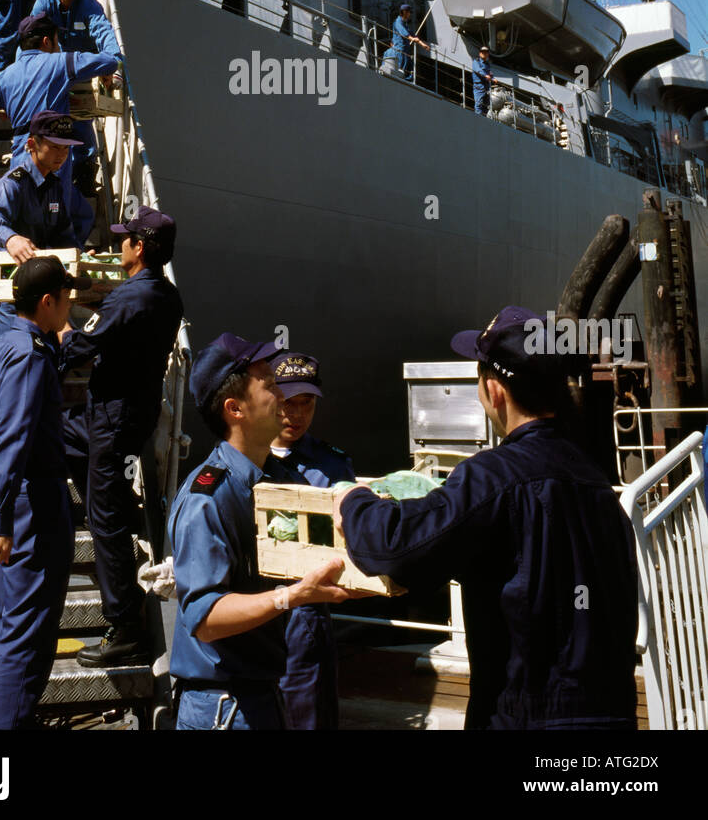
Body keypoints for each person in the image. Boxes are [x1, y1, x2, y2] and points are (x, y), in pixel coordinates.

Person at [335, 306, 639, 731]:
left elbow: (397, 548)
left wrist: (354, 502)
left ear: (493, 391)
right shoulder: (596, 482)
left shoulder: (493, 476)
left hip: (525, 717)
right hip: (611, 713)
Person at [168, 333, 363, 730]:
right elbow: (205, 618)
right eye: (271, 386)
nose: (285, 398)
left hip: (262, 696)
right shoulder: (208, 497)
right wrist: (291, 597)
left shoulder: (278, 481)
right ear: (234, 409)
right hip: (223, 709)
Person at [58, 209, 184, 666]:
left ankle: (125, 626)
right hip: (133, 412)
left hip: (112, 417)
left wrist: (59, 319)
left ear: (141, 248)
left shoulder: (129, 299)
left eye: (126, 240)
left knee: (106, 521)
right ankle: (101, 500)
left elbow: (79, 348)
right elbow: (121, 323)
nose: (120, 246)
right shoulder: (167, 296)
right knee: (64, 434)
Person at [0, 256, 76, 730]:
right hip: (34, 505)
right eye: (66, 298)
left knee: (1, 632)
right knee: (26, 638)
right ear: (47, 301)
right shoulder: (31, 356)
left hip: (18, 502)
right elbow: (13, 439)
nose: (70, 307)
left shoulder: (3, 347)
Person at [268, 351, 355, 731]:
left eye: (307, 404)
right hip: (253, 615)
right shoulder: (241, 461)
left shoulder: (333, 466)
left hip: (307, 625)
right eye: (288, 403)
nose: (297, 415)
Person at [0, 14, 119, 187]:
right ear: (47, 41)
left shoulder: (3, 78)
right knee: (54, 209)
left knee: (23, 208)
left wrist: (3, 109)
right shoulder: (61, 62)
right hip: (52, 154)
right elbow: (110, 62)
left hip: (21, 157)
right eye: (56, 40)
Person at [0, 111, 94, 339]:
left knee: (46, 344)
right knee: (16, 345)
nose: (61, 155)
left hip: (35, 280)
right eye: (55, 147)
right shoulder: (13, 184)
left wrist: (80, 256)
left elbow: (63, 232)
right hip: (6, 280)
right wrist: (11, 239)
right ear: (32, 144)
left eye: (66, 148)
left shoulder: (55, 186)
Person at [29, 0, 122, 193]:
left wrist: (113, 64)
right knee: (53, 121)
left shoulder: (89, 6)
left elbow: (104, 32)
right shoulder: (43, 5)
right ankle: (53, 173)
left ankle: (86, 170)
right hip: (54, 70)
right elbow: (31, 39)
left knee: (81, 122)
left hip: (81, 71)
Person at [388, 3, 428, 80]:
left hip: (405, 50)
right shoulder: (398, 22)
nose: (410, 14)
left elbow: (412, 35)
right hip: (400, 50)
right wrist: (412, 39)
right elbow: (404, 33)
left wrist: (422, 44)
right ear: (404, 12)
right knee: (401, 70)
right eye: (409, 12)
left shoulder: (404, 24)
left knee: (409, 70)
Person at [471, 45, 494, 116]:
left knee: (486, 106)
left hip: (486, 86)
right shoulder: (476, 61)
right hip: (479, 86)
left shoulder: (487, 64)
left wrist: (493, 78)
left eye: (486, 52)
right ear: (480, 53)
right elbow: (478, 70)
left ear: (488, 54)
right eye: (483, 52)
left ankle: (484, 119)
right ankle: (478, 119)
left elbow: (490, 74)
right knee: (478, 104)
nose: (484, 53)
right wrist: (485, 75)